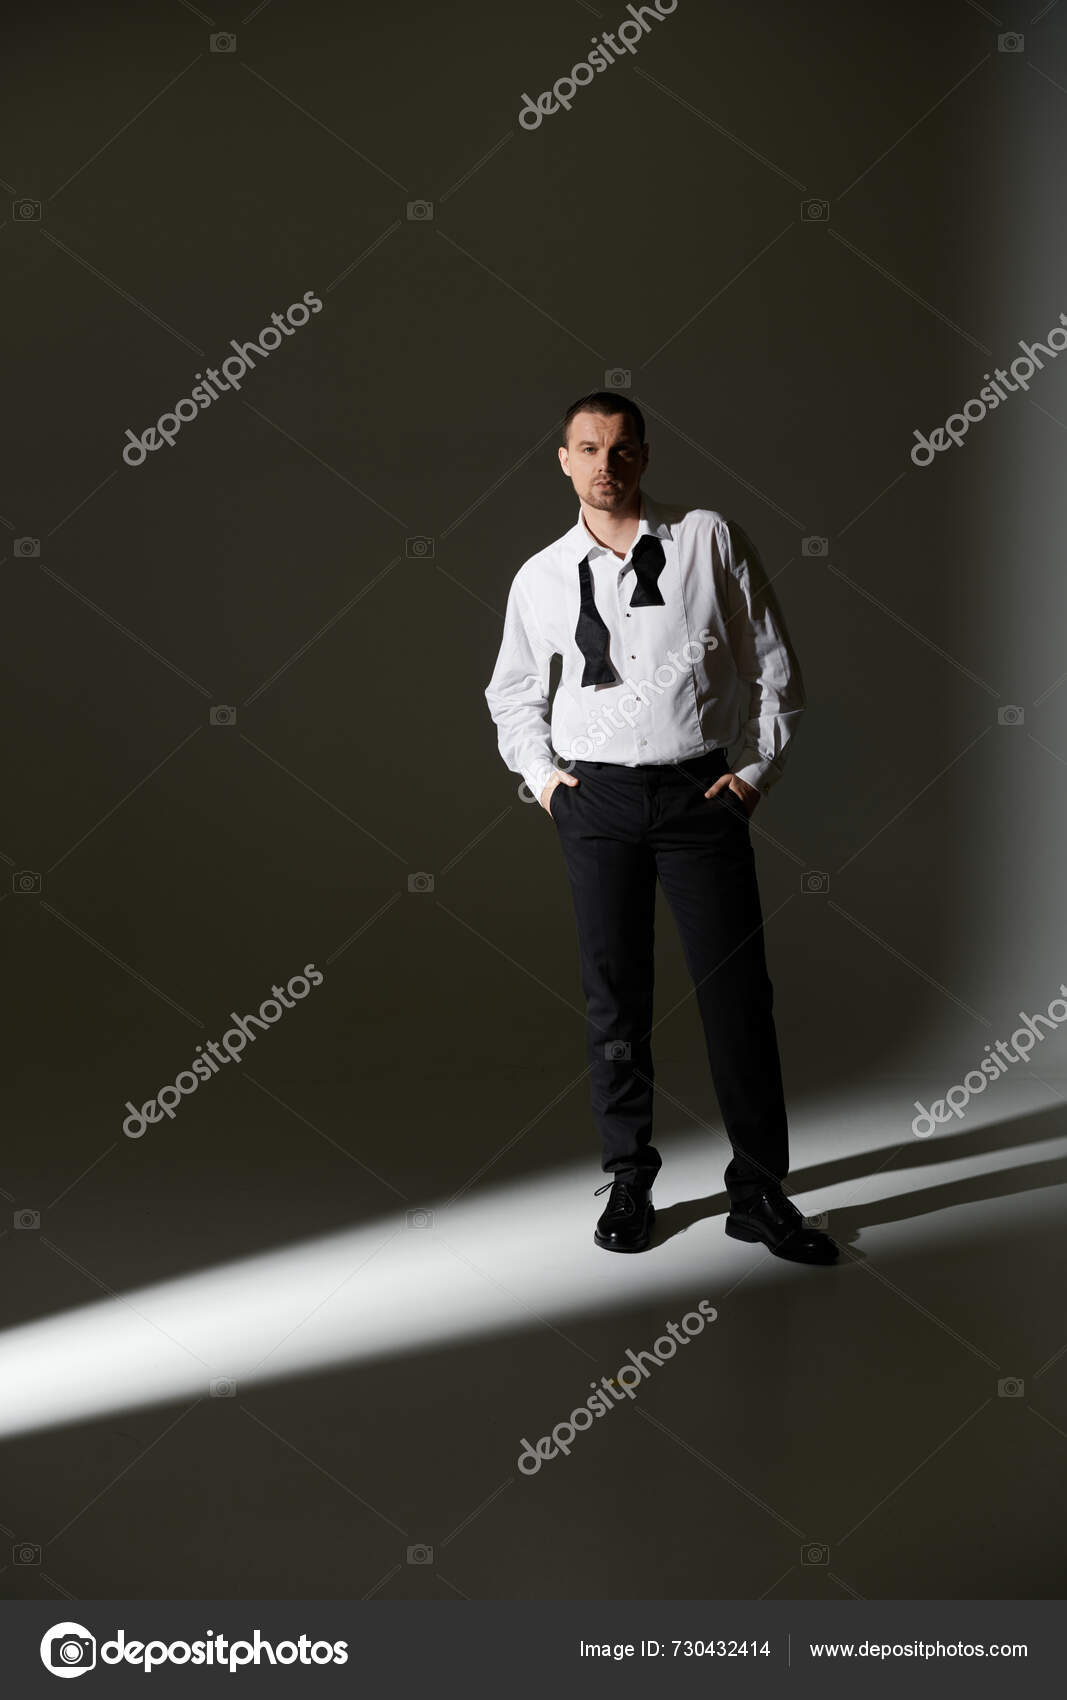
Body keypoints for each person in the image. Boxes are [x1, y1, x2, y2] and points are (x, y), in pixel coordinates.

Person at [484, 391, 838, 1267]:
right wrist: (547, 786)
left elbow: (772, 666)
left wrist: (751, 777)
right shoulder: (537, 576)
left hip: (697, 795)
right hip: (594, 803)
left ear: (645, 456)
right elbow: (513, 694)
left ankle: (757, 1191)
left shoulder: (706, 540)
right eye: (588, 447)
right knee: (615, 996)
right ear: (562, 460)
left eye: (622, 447)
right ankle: (630, 1175)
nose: (606, 463)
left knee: (736, 995)